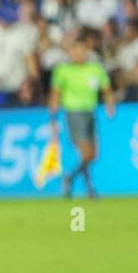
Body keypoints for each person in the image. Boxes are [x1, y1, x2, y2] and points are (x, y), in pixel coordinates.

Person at [49, 34, 116, 198]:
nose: (79, 54)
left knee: (93, 154)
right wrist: (53, 114)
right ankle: (87, 188)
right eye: (76, 51)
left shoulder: (95, 69)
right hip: (74, 113)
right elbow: (55, 94)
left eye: (82, 51)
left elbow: (106, 90)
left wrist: (110, 105)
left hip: (90, 113)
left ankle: (72, 179)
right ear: (71, 52)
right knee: (86, 153)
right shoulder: (63, 71)